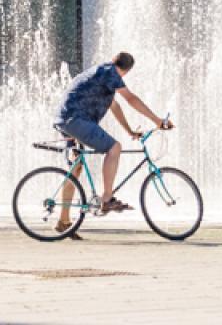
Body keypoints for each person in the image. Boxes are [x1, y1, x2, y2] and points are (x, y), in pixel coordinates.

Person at [54, 51, 169, 222]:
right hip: (76, 120)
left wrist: (129, 131)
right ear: (127, 70)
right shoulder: (111, 73)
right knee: (114, 148)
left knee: (75, 169)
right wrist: (157, 121)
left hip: (65, 119)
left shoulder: (102, 72)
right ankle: (107, 198)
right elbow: (130, 99)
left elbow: (114, 106)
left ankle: (63, 222)